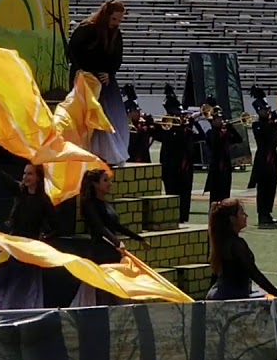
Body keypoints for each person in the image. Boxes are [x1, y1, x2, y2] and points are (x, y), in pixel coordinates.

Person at [0, 134, 55, 311]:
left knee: (13, 303)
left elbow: (56, 228)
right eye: (24, 173)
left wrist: (41, 243)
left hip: (26, 258)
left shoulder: (43, 201)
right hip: (9, 251)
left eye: (30, 174)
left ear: (39, 177)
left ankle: (5, 333)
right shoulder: (20, 192)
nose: (25, 177)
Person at [72, 169, 149, 306]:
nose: (110, 183)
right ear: (95, 184)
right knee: (104, 294)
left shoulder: (107, 205)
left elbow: (117, 227)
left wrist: (139, 238)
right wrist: (117, 242)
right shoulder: (89, 205)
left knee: (116, 292)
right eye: (105, 180)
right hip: (101, 254)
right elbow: (100, 228)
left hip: (113, 253)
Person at [67, 0, 129, 165]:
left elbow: (117, 58)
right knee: (86, 118)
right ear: (106, 15)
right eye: (114, 19)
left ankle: (105, 153)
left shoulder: (116, 35)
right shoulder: (86, 29)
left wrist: (110, 73)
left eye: (119, 20)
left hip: (104, 83)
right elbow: (73, 52)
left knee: (106, 117)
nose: (116, 23)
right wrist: (81, 73)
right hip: (85, 80)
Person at [206, 199, 277, 299]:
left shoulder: (221, 241)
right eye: (242, 213)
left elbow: (216, 275)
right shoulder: (237, 244)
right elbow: (254, 273)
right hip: (230, 297)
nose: (246, 215)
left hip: (218, 294)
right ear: (232, 219)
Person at [153, 85, 197, 224]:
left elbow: (198, 139)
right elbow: (163, 138)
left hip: (186, 168)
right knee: (172, 194)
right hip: (171, 167)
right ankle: (173, 218)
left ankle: (184, 217)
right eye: (177, 114)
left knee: (185, 194)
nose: (180, 116)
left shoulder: (186, 129)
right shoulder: (166, 128)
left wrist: (191, 124)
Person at [245, 88, 277, 228]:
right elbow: (264, 139)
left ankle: (268, 212)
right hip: (262, 160)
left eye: (268, 109)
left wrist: (276, 116)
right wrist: (272, 121)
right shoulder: (257, 125)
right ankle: (262, 214)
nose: (267, 112)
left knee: (271, 187)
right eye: (264, 110)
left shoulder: (273, 123)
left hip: (273, 158)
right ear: (259, 111)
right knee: (262, 189)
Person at [203, 110, 243, 206]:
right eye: (218, 119)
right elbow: (215, 144)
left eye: (221, 118)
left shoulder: (226, 133)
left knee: (225, 193)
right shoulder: (210, 133)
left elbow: (238, 139)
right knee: (215, 195)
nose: (221, 121)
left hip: (226, 166)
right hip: (216, 167)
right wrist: (224, 131)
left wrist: (231, 128)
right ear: (213, 121)